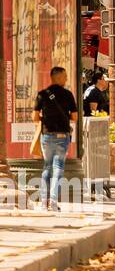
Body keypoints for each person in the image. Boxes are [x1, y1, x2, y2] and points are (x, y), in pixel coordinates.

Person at [33, 66, 78, 211]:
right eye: (64, 76)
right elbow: (75, 117)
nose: (66, 79)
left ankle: (43, 203)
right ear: (58, 77)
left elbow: (35, 117)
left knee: (47, 166)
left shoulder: (42, 94)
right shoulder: (68, 94)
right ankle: (53, 201)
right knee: (58, 167)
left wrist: (45, 118)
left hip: (47, 135)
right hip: (62, 135)